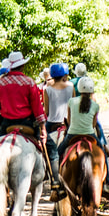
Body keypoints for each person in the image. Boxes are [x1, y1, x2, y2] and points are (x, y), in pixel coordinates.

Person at [0, 51, 46, 163]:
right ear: (22, 66)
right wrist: (43, 128)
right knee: (50, 149)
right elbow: (37, 109)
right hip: (27, 123)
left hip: (6, 124)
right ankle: (53, 172)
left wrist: (7, 109)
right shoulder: (29, 82)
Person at [58, 76, 109, 200]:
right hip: (90, 134)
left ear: (79, 89)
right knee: (103, 154)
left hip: (72, 134)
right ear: (91, 90)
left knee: (58, 153)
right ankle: (107, 183)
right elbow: (94, 125)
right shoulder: (95, 105)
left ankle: (57, 184)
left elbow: (69, 121)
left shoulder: (71, 102)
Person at [42, 62, 74, 194]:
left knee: (42, 147)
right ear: (65, 75)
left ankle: (47, 172)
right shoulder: (71, 87)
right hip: (68, 124)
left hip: (51, 125)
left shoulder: (47, 90)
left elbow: (47, 111)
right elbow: (73, 105)